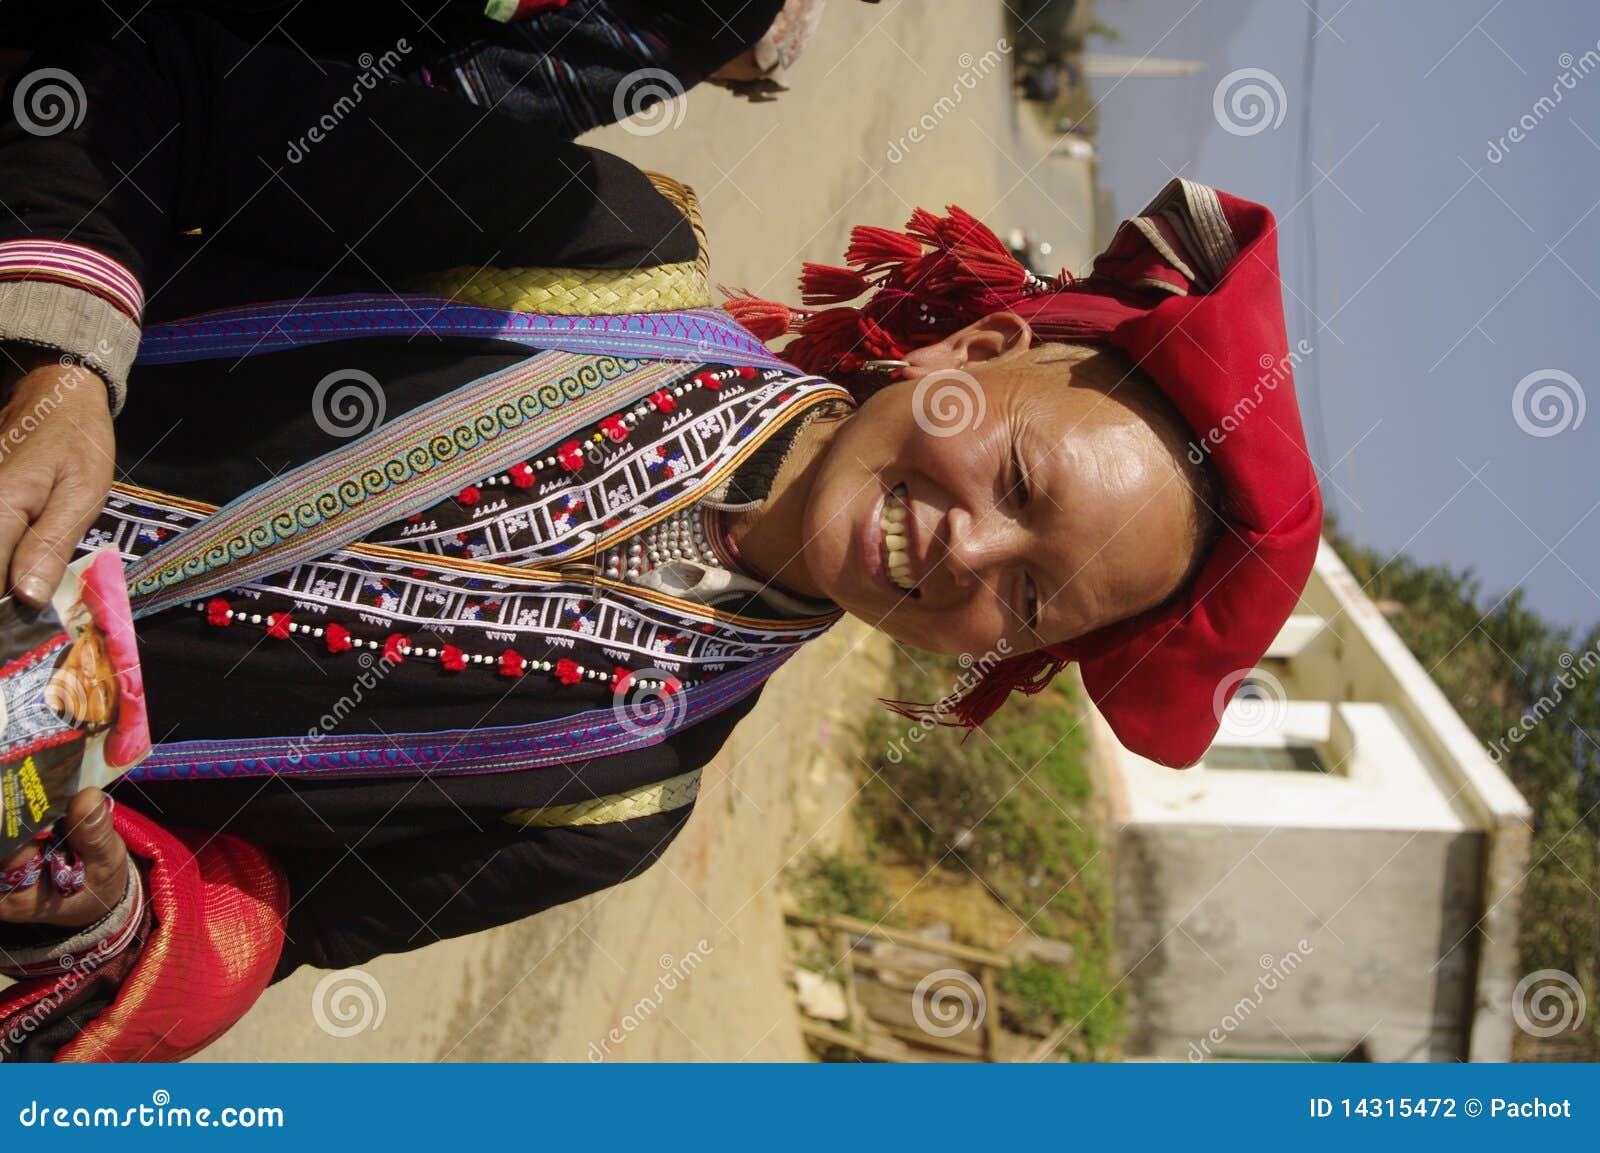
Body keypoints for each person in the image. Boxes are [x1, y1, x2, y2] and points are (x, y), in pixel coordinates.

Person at [0, 10, 1320, 1060]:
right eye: (1022, 478)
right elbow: (161, 75)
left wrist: (106, 900)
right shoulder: (595, 256)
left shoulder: (619, 796)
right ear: (973, 350)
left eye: (1031, 601)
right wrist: (61, 371)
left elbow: (266, 916)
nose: (974, 552)